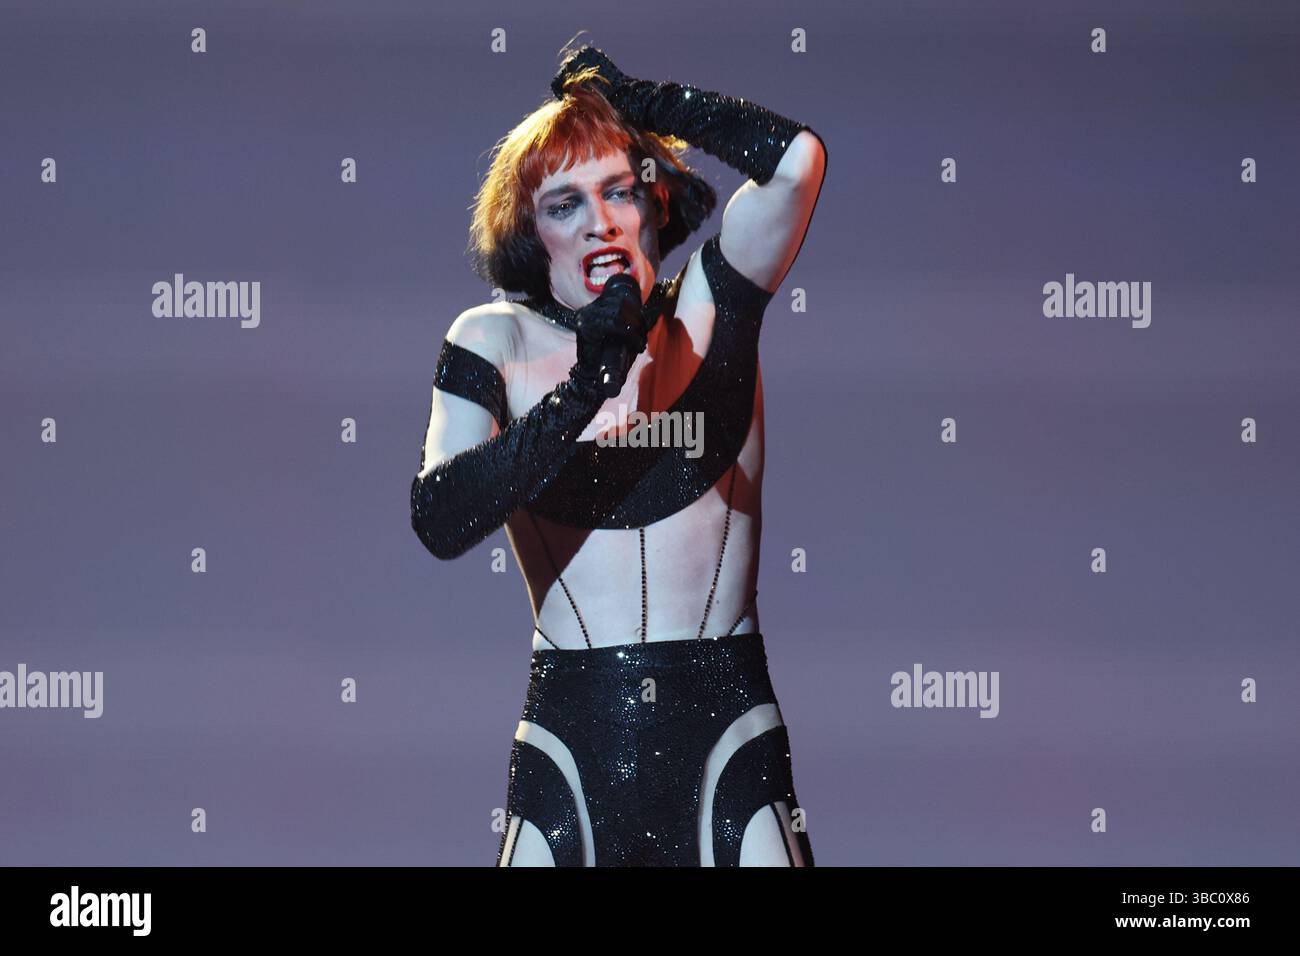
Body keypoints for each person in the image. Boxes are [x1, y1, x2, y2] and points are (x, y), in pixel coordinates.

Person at [411, 44, 827, 866]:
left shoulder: (710, 307)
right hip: (571, 753)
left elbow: (798, 165)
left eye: (619, 190)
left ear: (656, 202)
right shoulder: (491, 340)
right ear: (533, 235)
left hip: (728, 739)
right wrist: (581, 393)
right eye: (564, 203)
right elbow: (440, 517)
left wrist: (642, 100)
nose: (599, 222)